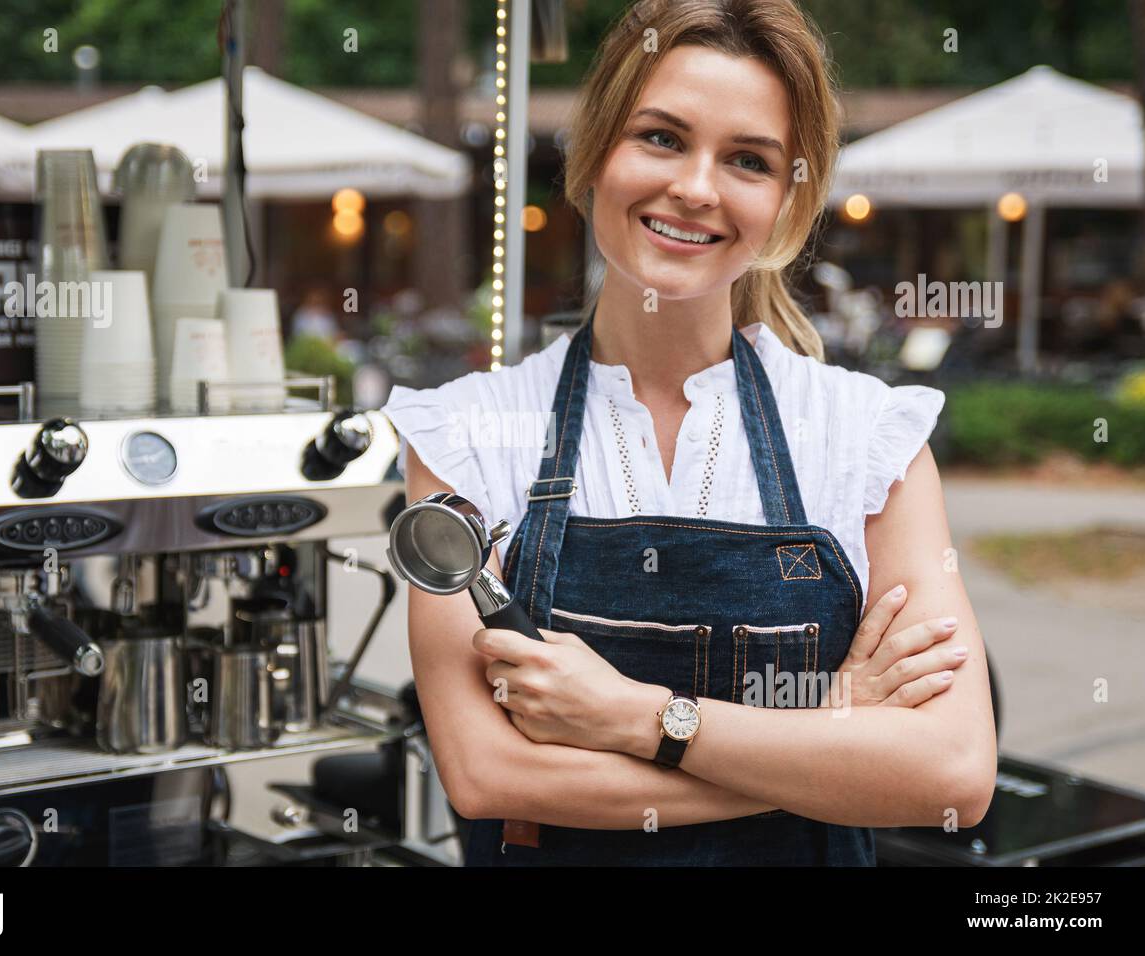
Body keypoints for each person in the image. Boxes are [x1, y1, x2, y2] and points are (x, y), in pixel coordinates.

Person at [380, 0, 996, 866]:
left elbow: (953, 777)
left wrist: (631, 718)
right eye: (662, 138)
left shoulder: (868, 436)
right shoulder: (469, 433)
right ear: (595, 152)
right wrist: (826, 739)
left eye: (748, 160)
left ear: (789, 198)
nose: (697, 188)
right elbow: (486, 775)